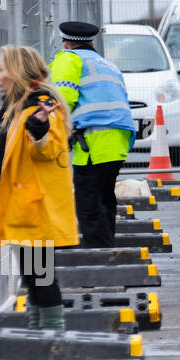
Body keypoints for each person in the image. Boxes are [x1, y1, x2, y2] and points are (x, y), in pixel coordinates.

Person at [0, 46, 79, 332]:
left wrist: (39, 128)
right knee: (33, 276)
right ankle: (41, 333)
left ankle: (52, 336)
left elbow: (50, 150)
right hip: (25, 205)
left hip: (34, 206)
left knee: (41, 275)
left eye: (1, 69)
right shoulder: (16, 106)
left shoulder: (41, 104)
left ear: (17, 72)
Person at [50, 21, 134, 248]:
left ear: (66, 43)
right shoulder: (107, 64)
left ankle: (99, 254)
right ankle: (108, 250)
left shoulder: (68, 58)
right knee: (105, 198)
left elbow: (62, 99)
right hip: (118, 138)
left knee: (88, 203)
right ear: (92, 42)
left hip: (93, 140)